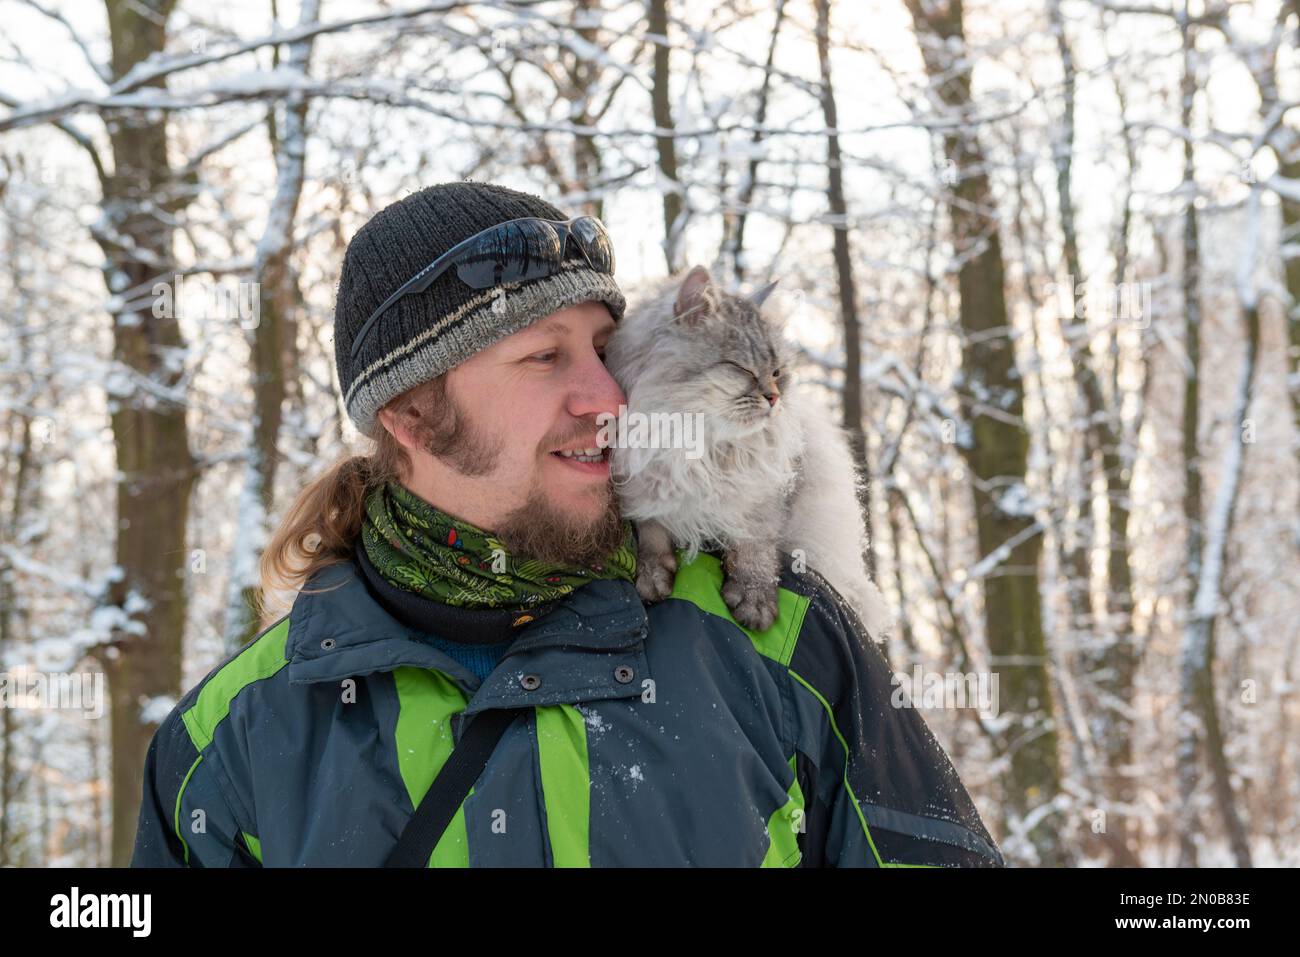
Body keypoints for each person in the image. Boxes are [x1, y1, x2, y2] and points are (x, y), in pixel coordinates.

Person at [130, 181, 1004, 868]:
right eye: (547, 356)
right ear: (412, 413)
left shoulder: (779, 642)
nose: (608, 395)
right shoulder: (236, 735)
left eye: (602, 350)